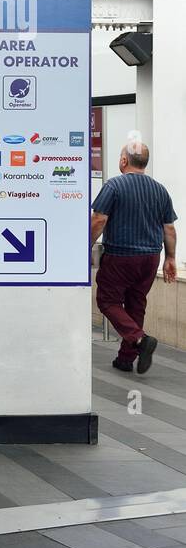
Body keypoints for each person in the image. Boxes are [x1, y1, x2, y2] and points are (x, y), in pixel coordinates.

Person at [91, 140, 178, 374]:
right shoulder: (160, 190)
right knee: (136, 304)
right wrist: (170, 258)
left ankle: (140, 339)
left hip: (121, 256)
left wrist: (84, 247)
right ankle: (126, 359)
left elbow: (99, 220)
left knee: (107, 301)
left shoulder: (114, 186)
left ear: (123, 160)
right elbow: (169, 228)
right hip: (150, 258)